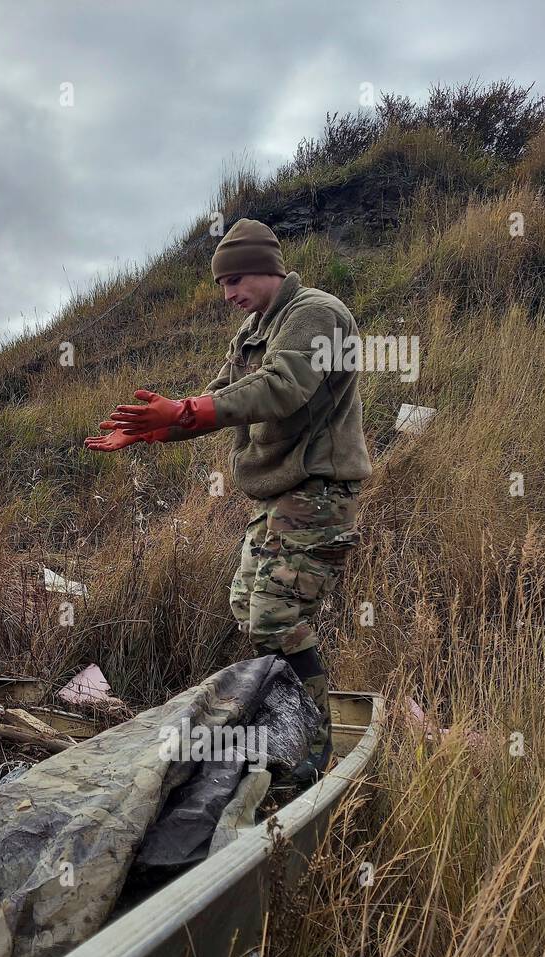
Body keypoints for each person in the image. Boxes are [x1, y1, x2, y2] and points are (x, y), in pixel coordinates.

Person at [85, 218, 371, 782]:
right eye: (222, 284)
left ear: (269, 268)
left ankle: (313, 750)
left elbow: (282, 387)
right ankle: (283, 723)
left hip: (317, 492)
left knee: (275, 617)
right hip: (280, 496)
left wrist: (185, 412)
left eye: (235, 279)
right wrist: (157, 429)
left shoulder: (317, 313)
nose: (227, 294)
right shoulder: (253, 329)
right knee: (247, 604)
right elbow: (222, 394)